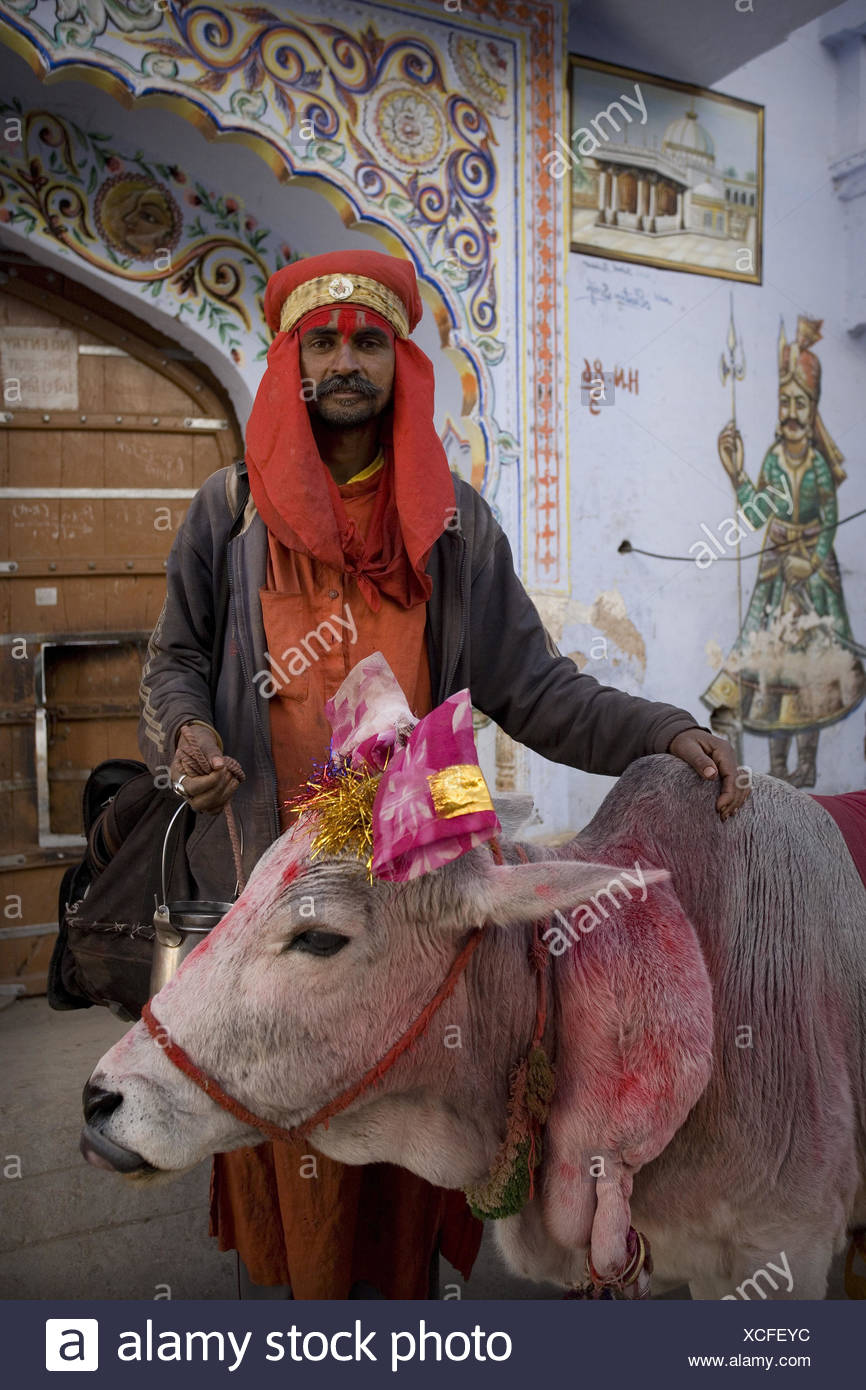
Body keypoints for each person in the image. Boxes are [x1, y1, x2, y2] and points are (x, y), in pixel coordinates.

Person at [138, 248, 748, 1300]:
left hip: (412, 904)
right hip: (267, 893)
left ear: (398, 361)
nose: (343, 360)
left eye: (366, 340)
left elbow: (538, 688)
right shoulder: (225, 513)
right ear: (292, 360)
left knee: (407, 1134)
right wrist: (184, 733)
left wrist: (660, 728)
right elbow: (174, 663)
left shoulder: (453, 520)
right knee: (288, 1164)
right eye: (320, 340)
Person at [703, 316, 865, 787]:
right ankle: (776, 771)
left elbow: (831, 520)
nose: (790, 411)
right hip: (777, 574)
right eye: (784, 402)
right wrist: (736, 473)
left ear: (811, 408)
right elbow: (757, 515)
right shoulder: (774, 458)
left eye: (799, 402)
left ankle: (809, 763)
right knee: (771, 673)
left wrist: (810, 560)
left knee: (812, 675)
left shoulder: (817, 465)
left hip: (813, 573)